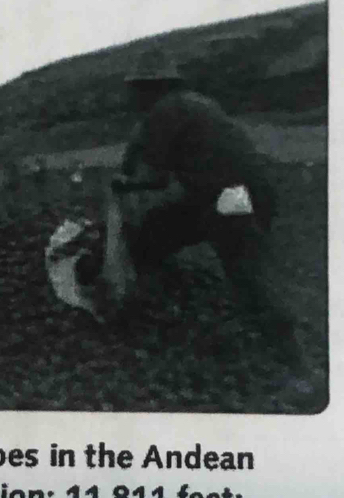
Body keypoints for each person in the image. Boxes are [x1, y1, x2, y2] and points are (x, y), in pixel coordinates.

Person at [75, 45, 312, 389]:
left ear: (149, 87)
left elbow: (155, 179)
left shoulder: (165, 112)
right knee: (156, 232)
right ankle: (147, 309)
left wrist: (124, 184)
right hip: (235, 195)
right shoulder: (196, 104)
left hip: (230, 200)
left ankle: (298, 370)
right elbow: (142, 149)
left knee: (250, 278)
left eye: (137, 90)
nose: (133, 98)